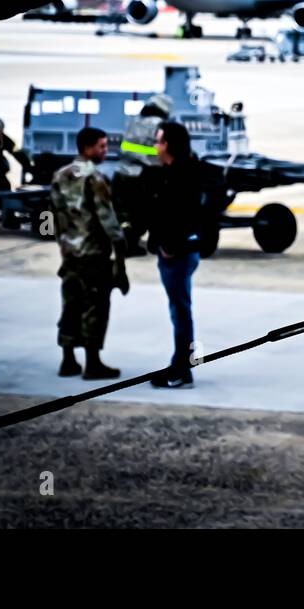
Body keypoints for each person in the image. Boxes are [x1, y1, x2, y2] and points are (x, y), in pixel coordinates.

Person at [144, 120, 224, 389]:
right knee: (179, 310)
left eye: (158, 141)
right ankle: (179, 364)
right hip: (177, 252)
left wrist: (170, 246)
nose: (155, 146)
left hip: (177, 255)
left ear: (168, 145)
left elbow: (184, 215)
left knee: (180, 312)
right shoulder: (176, 171)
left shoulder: (181, 176)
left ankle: (182, 370)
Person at [49, 126, 128, 380]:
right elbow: (108, 220)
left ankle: (68, 360)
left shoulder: (60, 175)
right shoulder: (95, 178)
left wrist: (63, 244)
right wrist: (120, 251)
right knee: (95, 306)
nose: (106, 150)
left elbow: (54, 217)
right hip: (93, 253)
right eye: (101, 146)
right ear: (87, 148)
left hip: (70, 252)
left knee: (70, 304)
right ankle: (93, 363)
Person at [113, 93, 173, 256]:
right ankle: (144, 244)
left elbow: (125, 147)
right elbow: (160, 152)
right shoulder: (161, 125)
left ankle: (128, 244)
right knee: (147, 213)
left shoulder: (133, 122)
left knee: (125, 214)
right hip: (144, 176)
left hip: (122, 173)